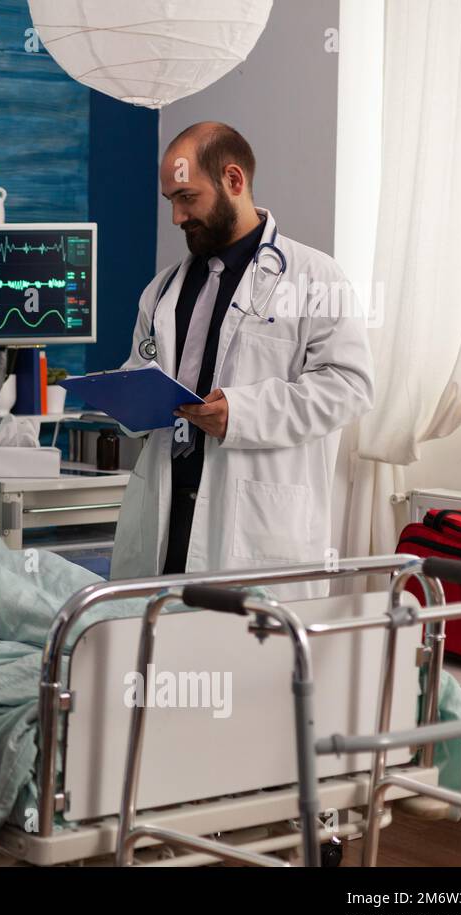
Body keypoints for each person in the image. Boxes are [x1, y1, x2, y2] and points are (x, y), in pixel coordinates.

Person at [111, 122, 374, 599]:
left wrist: (242, 413)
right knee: (153, 654)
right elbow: (142, 368)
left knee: (249, 663)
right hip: (166, 520)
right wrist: (129, 397)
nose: (176, 217)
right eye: (169, 200)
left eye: (186, 197)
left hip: (253, 522)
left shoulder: (315, 278)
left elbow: (349, 387)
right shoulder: (163, 289)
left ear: (234, 181)